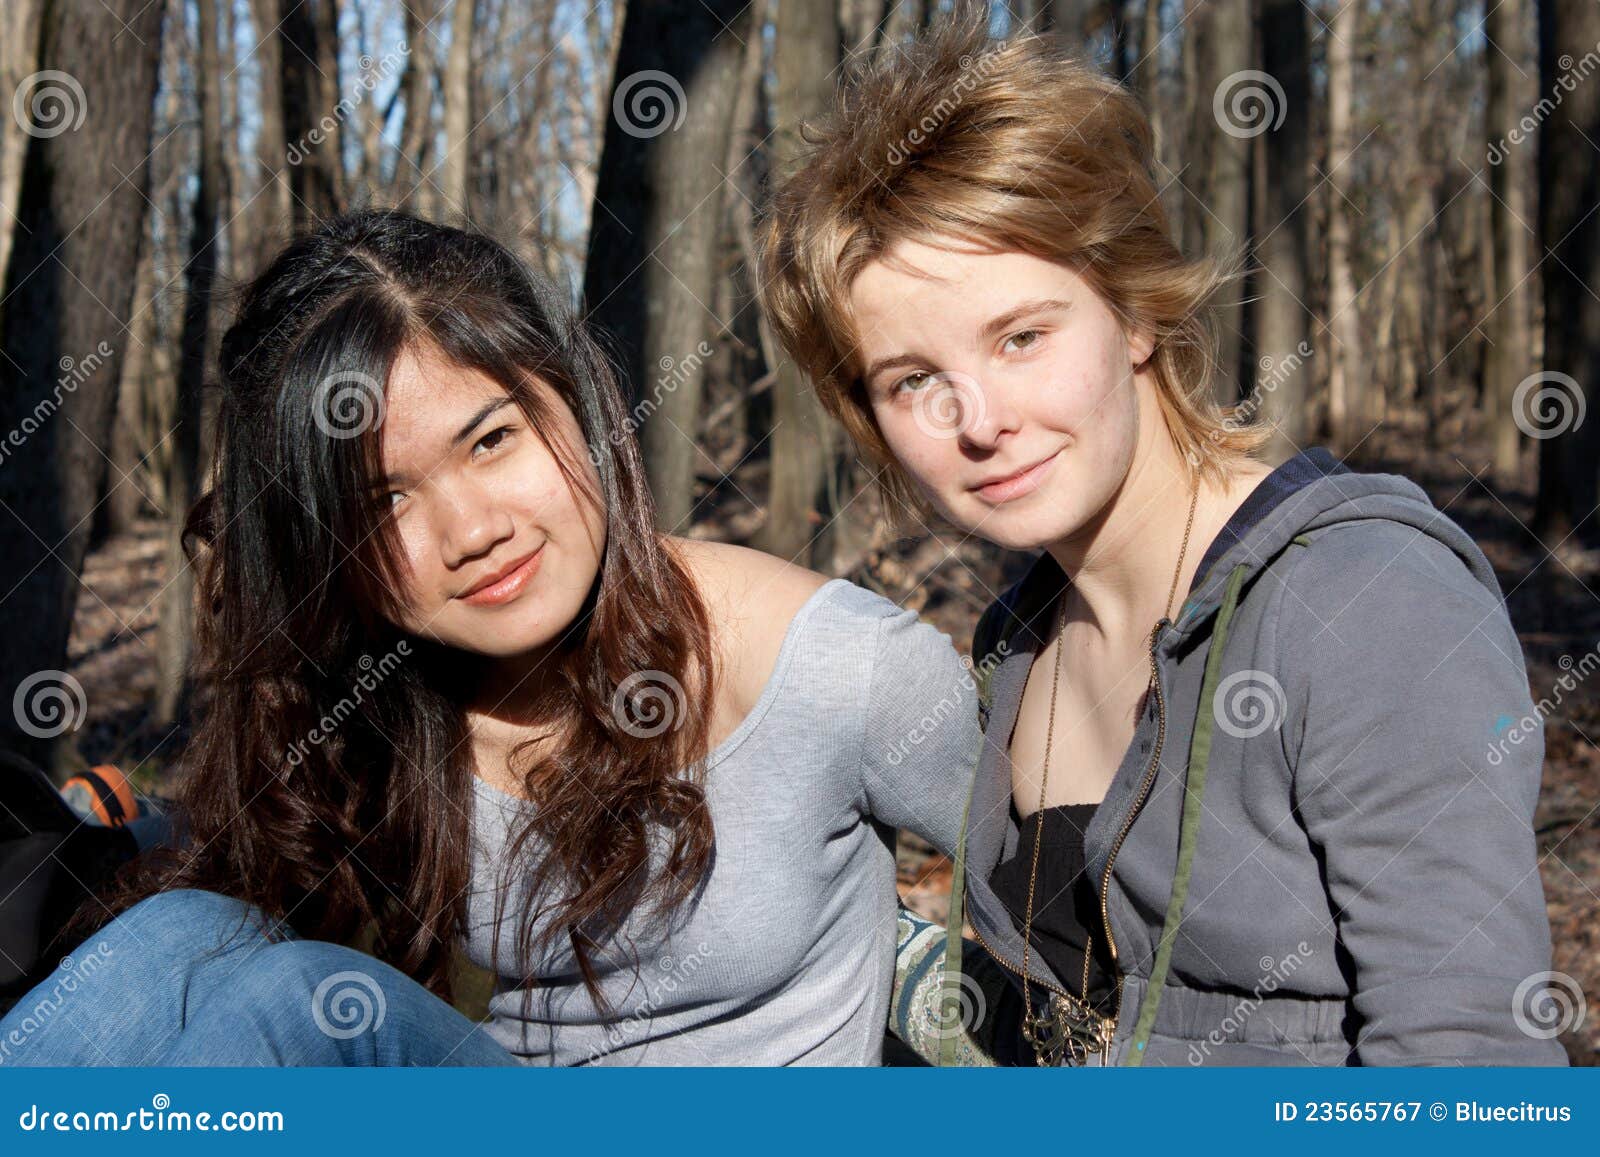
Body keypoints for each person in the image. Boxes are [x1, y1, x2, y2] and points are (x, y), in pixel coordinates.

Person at [756, 12, 1566, 1066]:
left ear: (1133, 312)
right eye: (914, 379)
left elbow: (1474, 1082)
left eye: (1022, 336)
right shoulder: (1023, 633)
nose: (982, 418)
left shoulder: (1363, 603)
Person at [0, 209, 978, 1067]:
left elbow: (1087, 887)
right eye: (383, 501)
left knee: (303, 1009)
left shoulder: (824, 660)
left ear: (576, 398)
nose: (472, 532)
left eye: (491, 440)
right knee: (189, 929)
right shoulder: (383, 697)